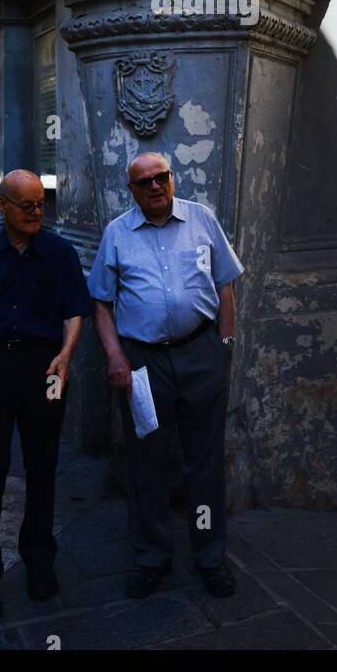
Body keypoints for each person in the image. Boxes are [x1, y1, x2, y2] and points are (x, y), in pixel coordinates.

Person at [88, 152, 244, 599]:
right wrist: (115, 356)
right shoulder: (118, 233)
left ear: (171, 179)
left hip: (201, 353)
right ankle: (152, 557)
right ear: (132, 190)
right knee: (146, 464)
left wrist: (225, 345)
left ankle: (211, 557)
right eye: (145, 182)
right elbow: (100, 301)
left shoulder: (201, 219)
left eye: (162, 178)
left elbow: (226, 282)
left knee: (205, 462)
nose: (156, 187)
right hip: (142, 363)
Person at [0, 169, 91, 622]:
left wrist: (67, 355)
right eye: (26, 204)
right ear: (3, 206)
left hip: (44, 366)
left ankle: (39, 562)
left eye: (40, 204)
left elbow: (74, 310)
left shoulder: (61, 252)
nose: (35, 211)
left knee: (42, 466)